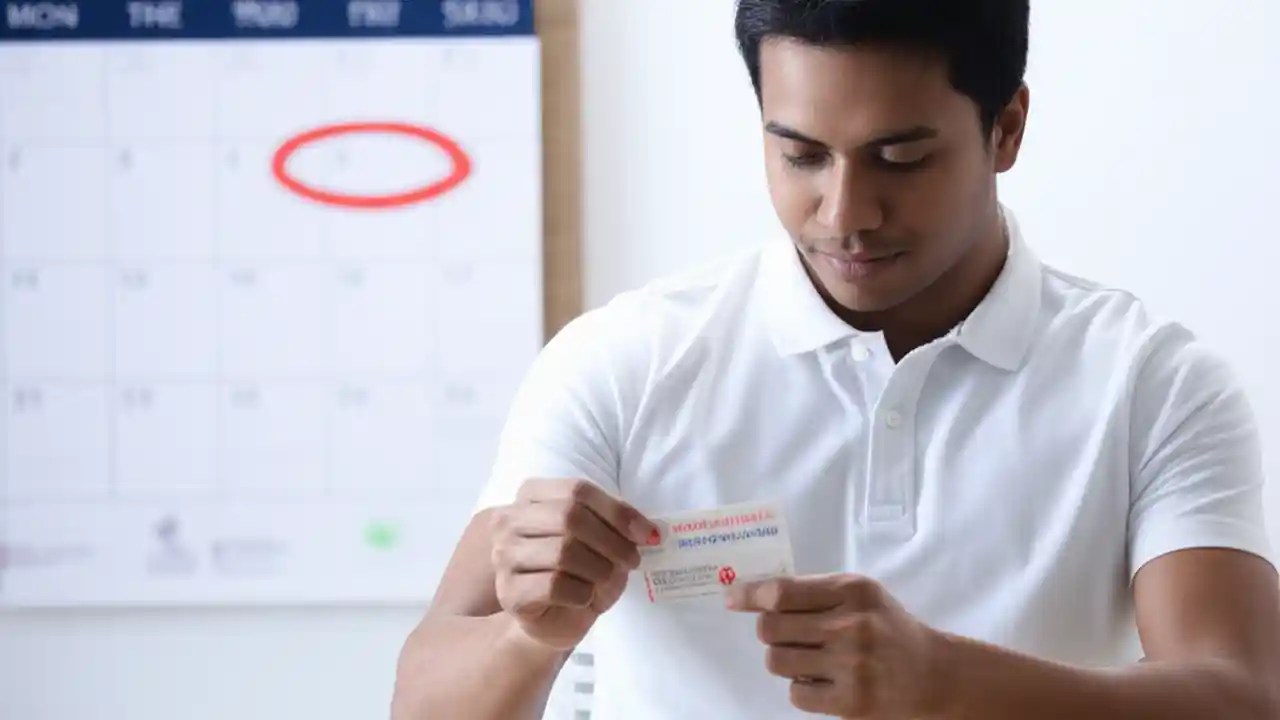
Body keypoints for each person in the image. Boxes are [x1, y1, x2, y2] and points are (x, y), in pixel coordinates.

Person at [392, 1, 1280, 717]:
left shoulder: (1154, 385)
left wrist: (947, 685)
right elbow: (421, 706)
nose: (844, 213)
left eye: (900, 158)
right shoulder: (622, 361)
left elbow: (1241, 694)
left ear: (1006, 129)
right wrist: (532, 636)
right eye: (802, 154)